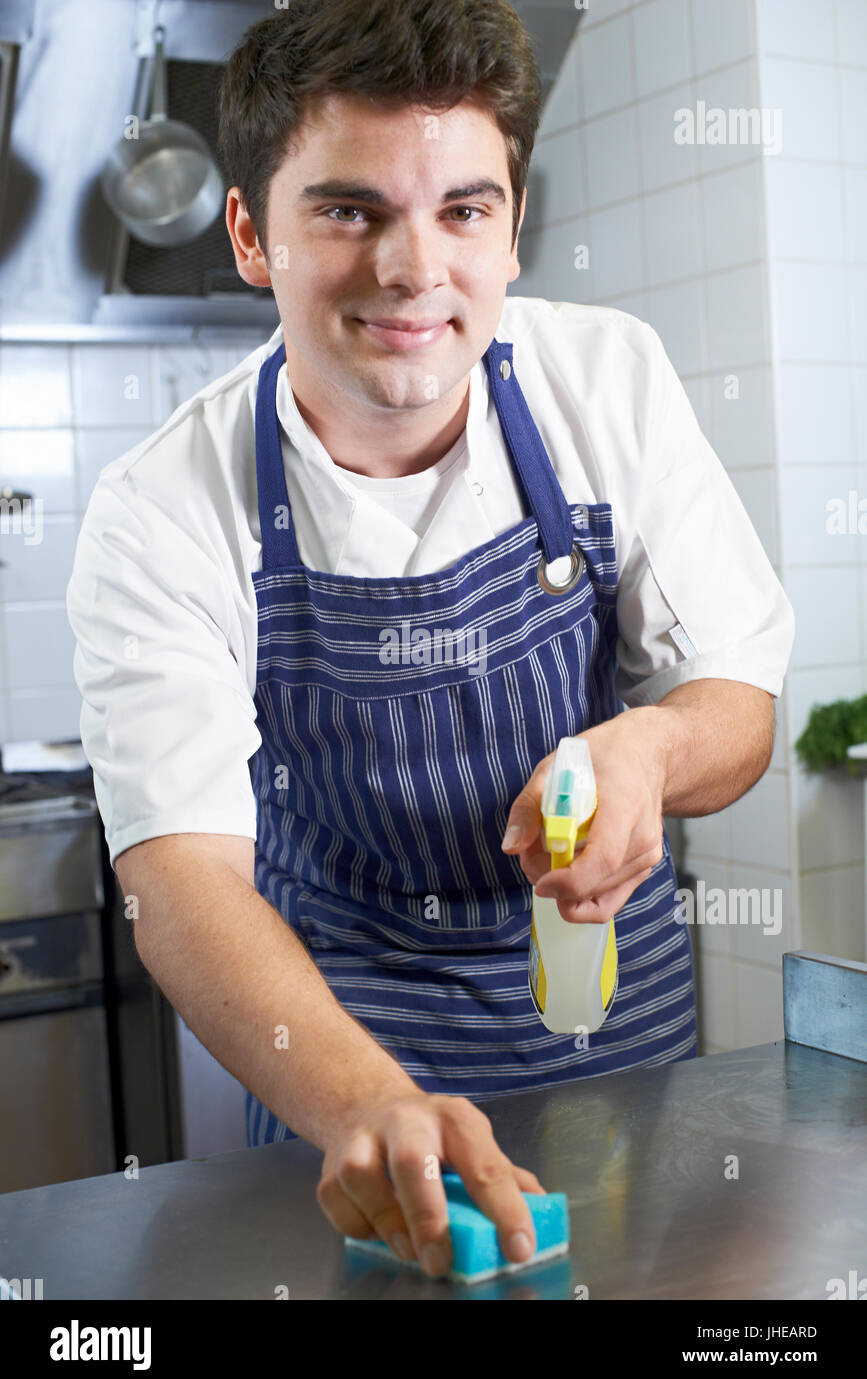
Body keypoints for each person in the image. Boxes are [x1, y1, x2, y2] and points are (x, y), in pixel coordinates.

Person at [67, 0, 794, 1279]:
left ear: (512, 227)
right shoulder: (161, 507)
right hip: (343, 1081)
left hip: (621, 1054)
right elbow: (180, 882)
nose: (414, 269)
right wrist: (361, 1105)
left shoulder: (607, 381)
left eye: (463, 209)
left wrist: (650, 751)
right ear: (253, 234)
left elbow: (735, 698)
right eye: (350, 210)